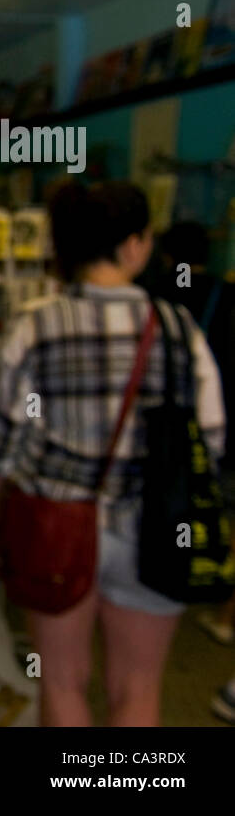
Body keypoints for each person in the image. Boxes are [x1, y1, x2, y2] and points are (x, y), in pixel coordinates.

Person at [0, 180, 225, 726]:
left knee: (63, 683)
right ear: (137, 244)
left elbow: (4, 437)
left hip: (55, 523)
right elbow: (210, 435)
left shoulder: (36, 324)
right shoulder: (180, 329)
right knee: (137, 688)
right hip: (155, 528)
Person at [146, 222, 235, 648]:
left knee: (166, 502)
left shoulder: (162, 294)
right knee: (217, 507)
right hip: (221, 421)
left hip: (171, 424)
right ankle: (218, 593)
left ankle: (166, 574)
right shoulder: (225, 292)